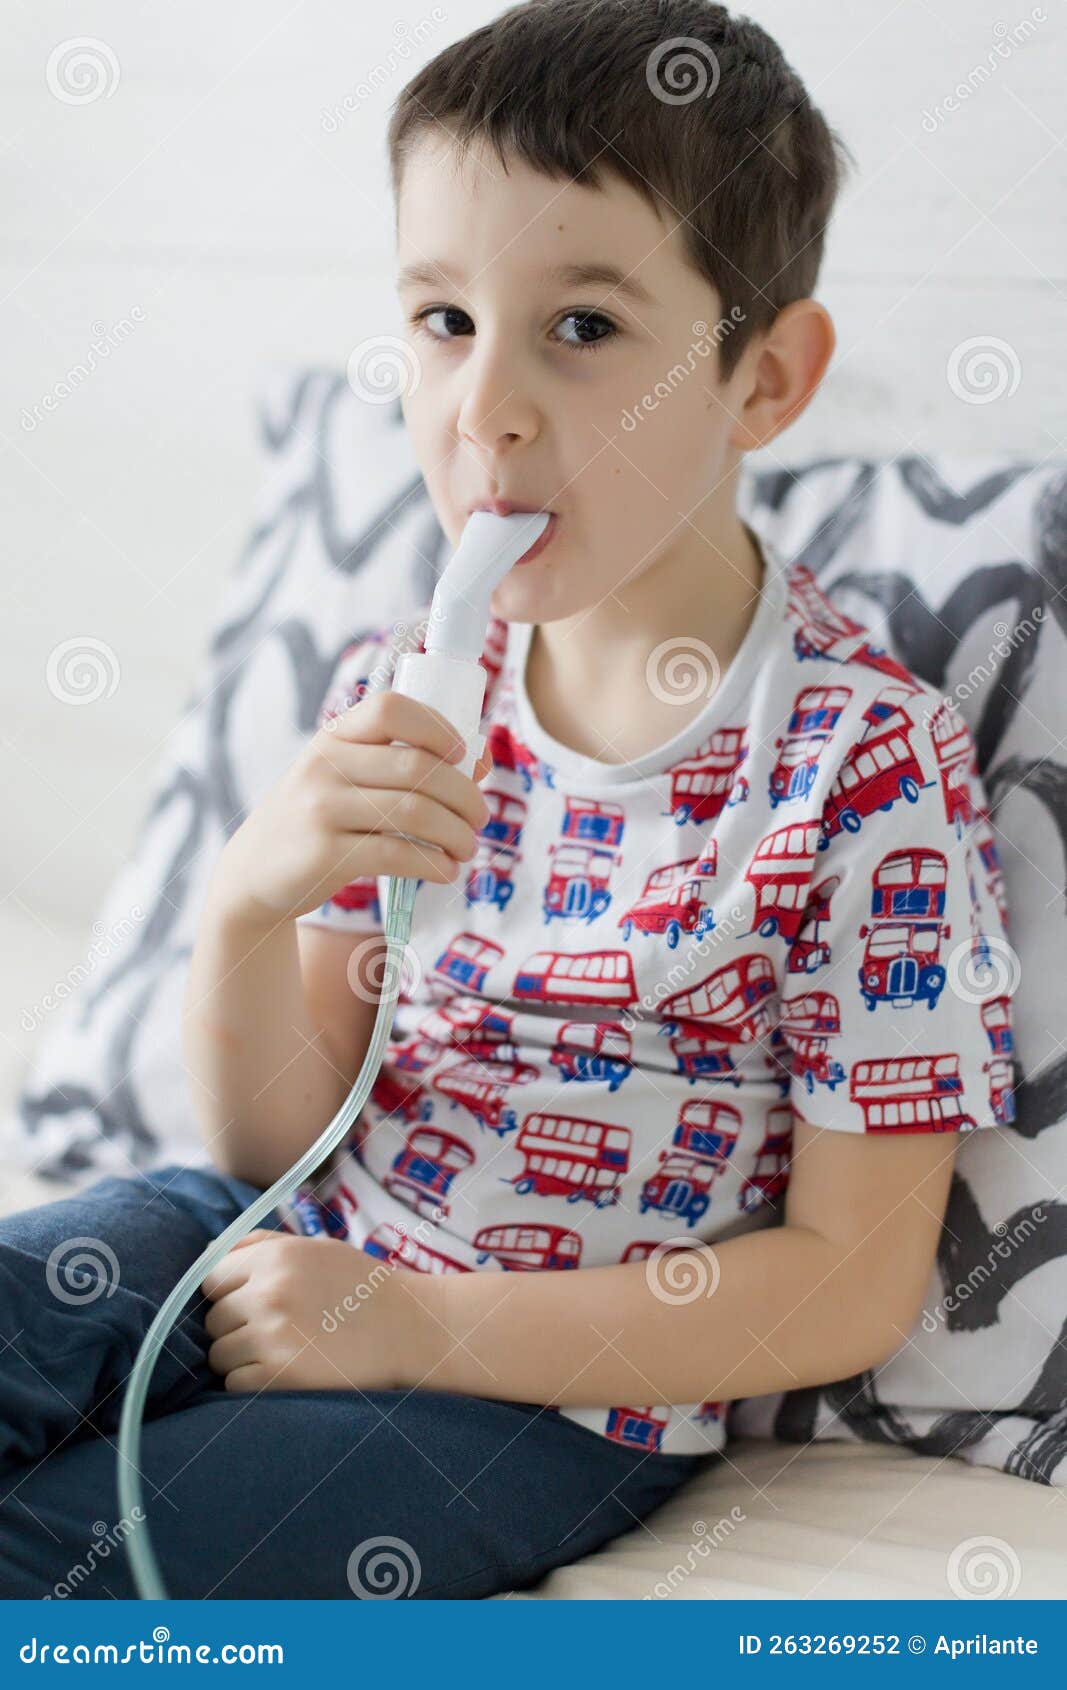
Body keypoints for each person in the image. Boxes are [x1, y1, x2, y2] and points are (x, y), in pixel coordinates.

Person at [0, 0, 1014, 1600]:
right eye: (443, 320)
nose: (485, 410)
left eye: (586, 327)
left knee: (66, 1563)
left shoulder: (858, 766)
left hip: (536, 1395)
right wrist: (246, 902)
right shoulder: (405, 690)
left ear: (764, 377)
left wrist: (414, 1324)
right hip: (285, 1252)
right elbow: (281, 1137)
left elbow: (848, 1279)